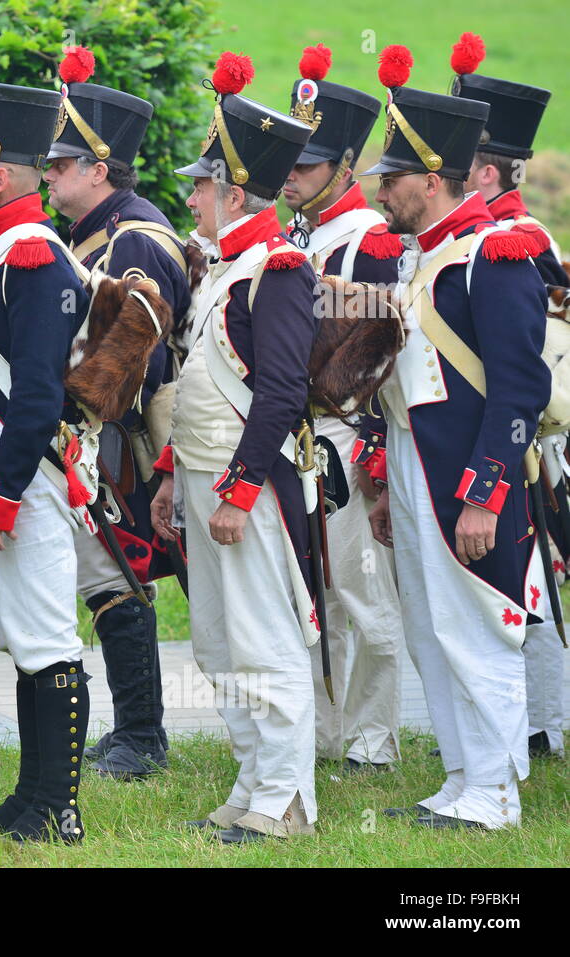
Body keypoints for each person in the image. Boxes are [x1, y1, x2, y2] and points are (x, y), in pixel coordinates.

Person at [364, 44, 550, 829]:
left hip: (470, 475)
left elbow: (521, 389)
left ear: (430, 181)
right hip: (414, 463)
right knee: (432, 630)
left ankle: (498, 792)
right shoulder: (427, 255)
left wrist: (485, 490)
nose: (381, 189)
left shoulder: (493, 257)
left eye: (392, 178)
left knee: (477, 628)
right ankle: (463, 774)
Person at [150, 51, 321, 842]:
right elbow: (201, 384)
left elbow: (283, 392)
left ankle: (286, 798)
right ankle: (252, 780)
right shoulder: (228, 266)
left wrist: (242, 486)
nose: (191, 197)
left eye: (201, 185)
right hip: (203, 477)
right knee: (220, 643)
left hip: (246, 485)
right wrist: (168, 477)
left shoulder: (279, 270)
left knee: (262, 640)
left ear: (235, 192)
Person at [0, 29, 93, 842]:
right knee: (23, 638)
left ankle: (58, 806)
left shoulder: (33, 257)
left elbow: (37, 393)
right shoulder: (6, 250)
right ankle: (32, 796)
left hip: (25, 471)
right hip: (3, 470)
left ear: (0, 173)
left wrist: (1, 491)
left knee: (47, 637)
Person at [41, 45, 191, 780]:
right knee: (107, 573)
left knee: (121, 573)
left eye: (60, 164)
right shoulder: (93, 235)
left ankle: (144, 734)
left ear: (98, 170)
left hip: (132, 438)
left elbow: (143, 355)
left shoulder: (134, 239)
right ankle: (135, 727)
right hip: (105, 438)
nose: (47, 175)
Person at [280, 43, 406, 772]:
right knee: (313, 594)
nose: (291, 175)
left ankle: (372, 736)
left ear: (347, 167)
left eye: (308, 164)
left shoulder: (371, 242)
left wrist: (377, 450)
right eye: (291, 162)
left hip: (350, 437)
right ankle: (325, 729)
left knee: (366, 598)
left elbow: (384, 356)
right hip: (300, 439)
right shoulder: (300, 235)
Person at [452, 29, 567, 759]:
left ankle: (542, 722)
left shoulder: (514, 239)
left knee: (533, 582)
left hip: (540, 439)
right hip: (512, 430)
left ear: (486, 173)